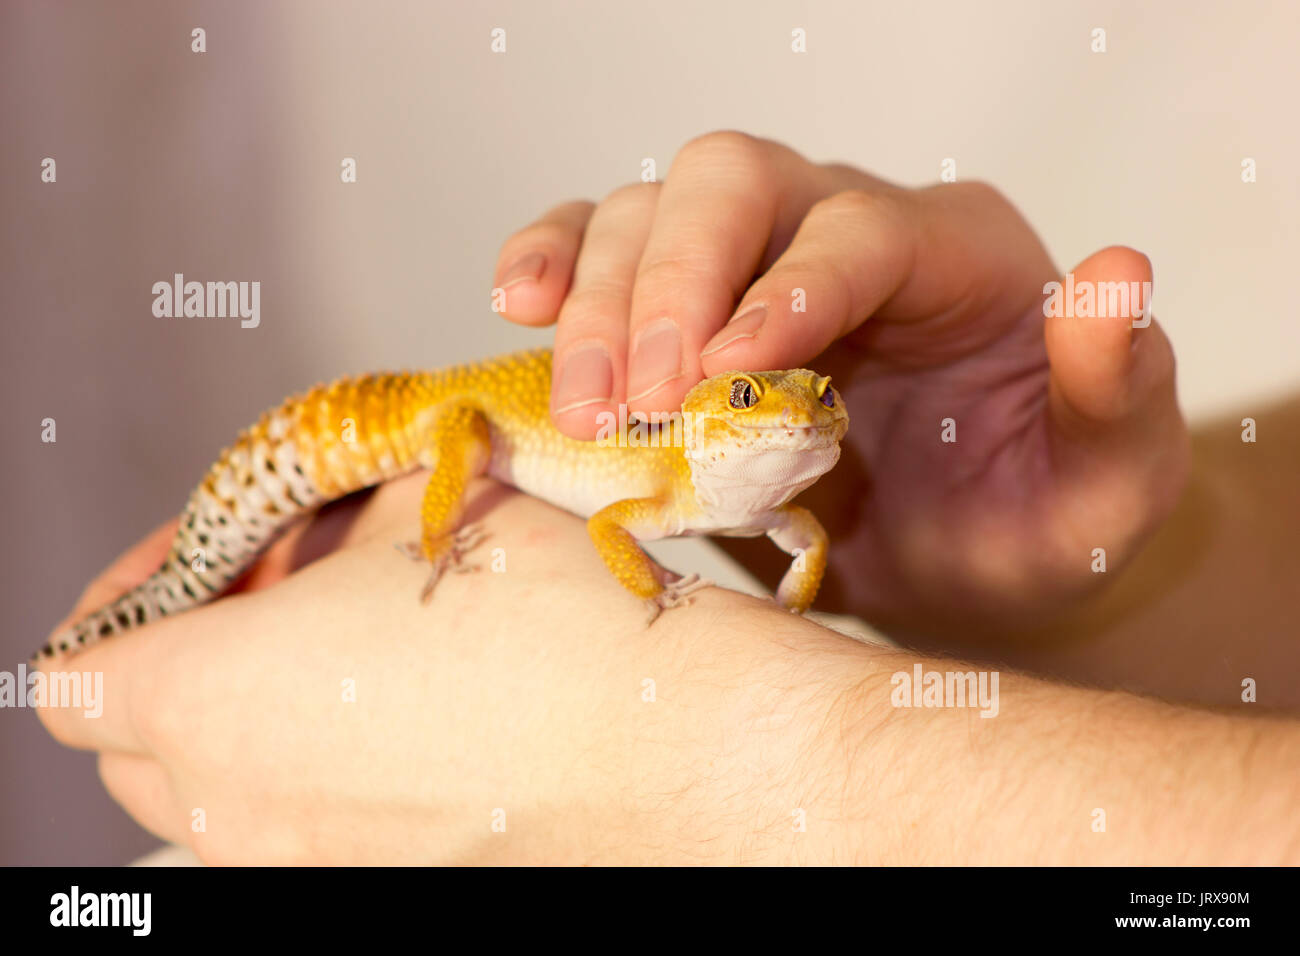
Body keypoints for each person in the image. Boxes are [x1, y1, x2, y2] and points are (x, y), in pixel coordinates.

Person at [36, 132, 1300, 864]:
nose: (803, 413)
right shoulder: (659, 473)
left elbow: (798, 551)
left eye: (816, 406)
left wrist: (714, 759)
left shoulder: (780, 505)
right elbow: (595, 517)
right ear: (701, 415)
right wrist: (1098, 586)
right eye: (764, 399)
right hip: (429, 421)